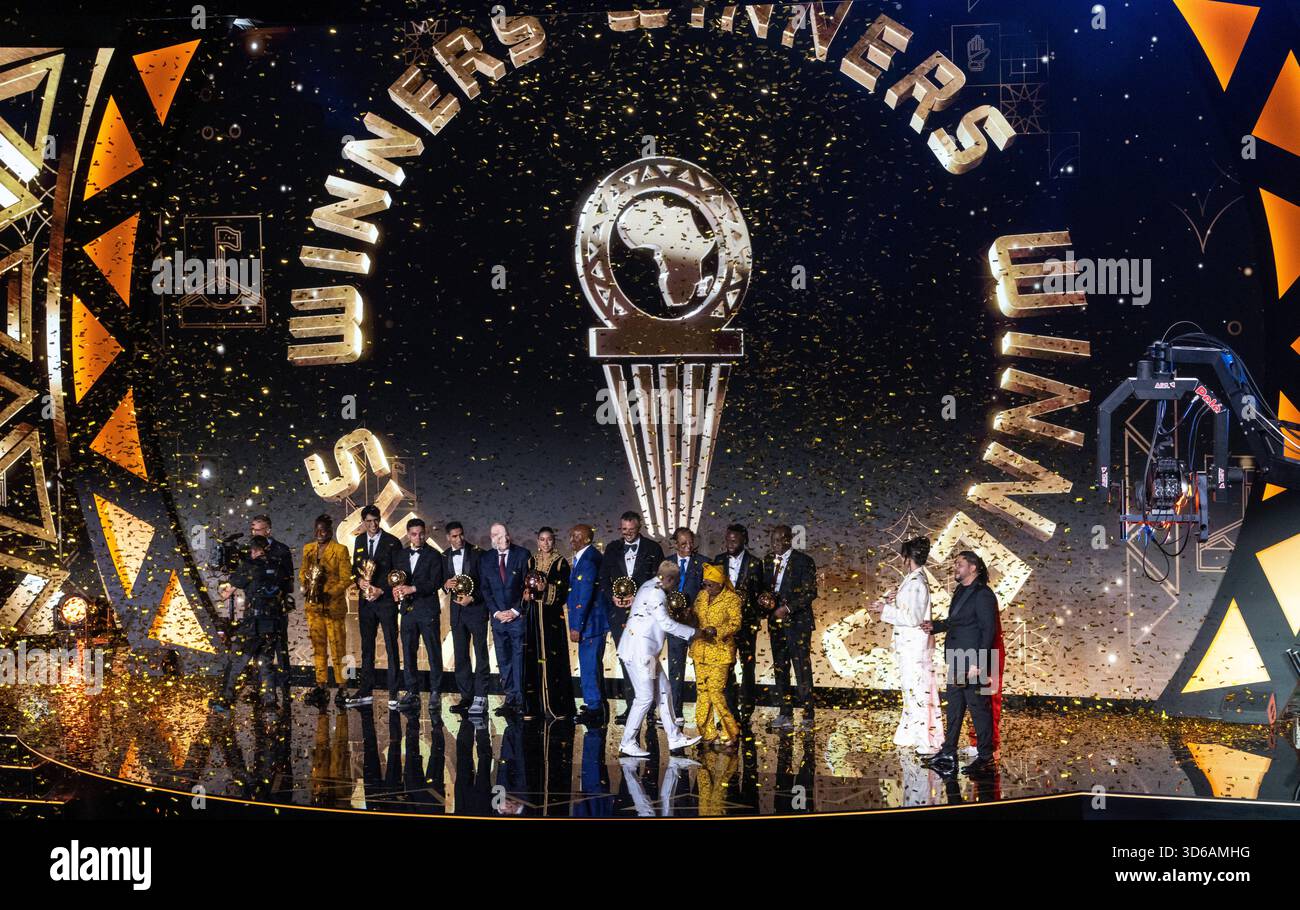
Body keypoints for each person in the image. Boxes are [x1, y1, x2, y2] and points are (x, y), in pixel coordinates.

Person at [921, 550, 1000, 777]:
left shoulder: (983, 594)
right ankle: (948, 753)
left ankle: (986, 758)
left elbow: (988, 631)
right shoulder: (960, 591)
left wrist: (979, 663)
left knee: (978, 710)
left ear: (973, 568)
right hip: (957, 659)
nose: (955, 568)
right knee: (955, 708)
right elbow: (958, 622)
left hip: (974, 661)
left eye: (959, 564)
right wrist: (935, 626)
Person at [616, 560, 703, 757]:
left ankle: (674, 737)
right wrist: (694, 633)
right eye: (676, 581)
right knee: (645, 697)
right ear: (669, 579)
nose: (676, 585)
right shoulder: (656, 592)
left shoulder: (649, 584)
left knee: (664, 690)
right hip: (641, 653)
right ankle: (627, 742)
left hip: (645, 652)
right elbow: (667, 625)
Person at [873, 536, 943, 754]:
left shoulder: (915, 582)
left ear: (906, 558)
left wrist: (883, 610)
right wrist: (890, 601)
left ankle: (924, 741)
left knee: (917, 692)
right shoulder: (914, 580)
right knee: (912, 691)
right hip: (912, 646)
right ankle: (911, 734)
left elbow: (912, 617)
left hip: (914, 647)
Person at [598, 511, 665, 722]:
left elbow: (661, 580)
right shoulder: (612, 548)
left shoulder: (653, 548)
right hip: (619, 614)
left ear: (639, 528)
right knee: (627, 658)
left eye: (631, 529)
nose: (627, 533)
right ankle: (631, 706)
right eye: (623, 529)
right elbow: (604, 579)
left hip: (645, 615)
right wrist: (613, 598)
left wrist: (640, 596)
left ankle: (651, 709)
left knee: (647, 659)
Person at [211, 536, 285, 710]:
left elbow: (225, 594)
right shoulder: (277, 565)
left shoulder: (249, 567)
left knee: (236, 662)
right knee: (266, 664)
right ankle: (270, 702)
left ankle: (225, 700)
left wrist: (226, 576)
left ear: (254, 550)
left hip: (253, 626)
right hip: (272, 624)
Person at [347, 505, 404, 709]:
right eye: (368, 521)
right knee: (367, 648)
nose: (372, 525)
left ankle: (394, 692)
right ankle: (365, 691)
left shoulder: (392, 542)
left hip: (386, 602)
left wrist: (382, 590)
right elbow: (355, 568)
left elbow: (399, 575)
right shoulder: (359, 540)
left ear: (380, 520)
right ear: (363, 522)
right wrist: (359, 582)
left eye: (375, 520)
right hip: (366, 604)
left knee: (391, 647)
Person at [764, 525, 818, 731]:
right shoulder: (768, 561)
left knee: (802, 669)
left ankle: (807, 715)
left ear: (788, 540)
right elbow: (765, 587)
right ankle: (785, 713)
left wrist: (787, 608)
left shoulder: (804, 562)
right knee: (780, 668)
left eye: (779, 540)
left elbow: (810, 592)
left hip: (798, 623)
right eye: (773, 540)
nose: (775, 544)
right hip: (776, 624)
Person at [394, 518, 448, 716]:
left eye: (421, 533)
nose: (418, 537)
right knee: (408, 652)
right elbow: (395, 578)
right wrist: (396, 590)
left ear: (425, 533)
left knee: (434, 651)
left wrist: (413, 588)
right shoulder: (400, 555)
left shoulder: (434, 555)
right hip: (407, 611)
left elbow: (436, 582)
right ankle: (412, 691)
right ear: (408, 535)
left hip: (427, 610)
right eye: (414, 534)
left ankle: (435, 691)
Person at [713, 523, 766, 718]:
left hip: (747, 624)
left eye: (734, 540)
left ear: (744, 540)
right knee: (726, 666)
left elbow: (761, 595)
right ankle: (730, 712)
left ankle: (747, 710)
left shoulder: (755, 563)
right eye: (727, 539)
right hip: (724, 625)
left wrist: (755, 615)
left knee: (748, 665)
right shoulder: (718, 561)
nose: (730, 543)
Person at [480, 522, 532, 718]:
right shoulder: (485, 559)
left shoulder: (522, 554)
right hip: (498, 619)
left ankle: (521, 700)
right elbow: (485, 589)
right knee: (503, 659)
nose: (503, 538)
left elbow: (527, 587)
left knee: (519, 659)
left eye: (505, 534)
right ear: (492, 538)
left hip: (517, 618)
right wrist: (496, 612)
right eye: (498, 535)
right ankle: (509, 698)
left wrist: (515, 611)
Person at [300, 514, 351, 706]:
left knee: (339, 648)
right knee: (318, 648)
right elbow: (302, 572)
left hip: (333, 608)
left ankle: (342, 687)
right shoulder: (308, 549)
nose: (319, 534)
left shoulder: (340, 550)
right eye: (317, 530)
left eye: (323, 530)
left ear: (330, 531)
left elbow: (346, 579)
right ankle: (321, 686)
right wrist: (307, 586)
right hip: (313, 609)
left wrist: (327, 593)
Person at [691, 562, 743, 751]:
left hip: (720, 652)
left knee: (715, 691)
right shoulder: (701, 596)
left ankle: (731, 732)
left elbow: (736, 624)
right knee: (702, 692)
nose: (706, 588)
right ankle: (707, 733)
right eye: (704, 584)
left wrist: (718, 630)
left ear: (720, 584)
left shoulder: (732, 599)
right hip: (700, 651)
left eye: (710, 584)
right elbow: (695, 617)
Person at [527, 527, 576, 719]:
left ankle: (557, 706)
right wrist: (527, 594)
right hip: (533, 615)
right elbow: (525, 586)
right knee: (533, 657)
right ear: (537, 541)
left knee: (554, 658)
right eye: (542, 540)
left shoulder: (560, 562)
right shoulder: (531, 561)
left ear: (553, 541)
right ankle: (535, 706)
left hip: (552, 617)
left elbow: (564, 591)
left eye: (549, 540)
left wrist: (546, 587)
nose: (545, 543)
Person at [441, 521, 488, 716]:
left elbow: (486, 583)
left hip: (476, 610)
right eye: (454, 536)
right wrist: (445, 584)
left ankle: (481, 697)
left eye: (461, 535)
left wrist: (473, 597)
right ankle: (466, 697)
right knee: (460, 655)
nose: (459, 539)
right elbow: (441, 581)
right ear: (448, 538)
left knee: (480, 654)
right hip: (457, 612)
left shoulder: (478, 553)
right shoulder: (444, 556)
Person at [566, 524, 609, 726]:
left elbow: (584, 596)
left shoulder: (589, 560)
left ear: (587, 539)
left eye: (577, 536)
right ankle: (596, 704)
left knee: (589, 667)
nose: (572, 540)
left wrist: (577, 626)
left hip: (590, 624)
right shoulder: (585, 557)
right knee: (592, 666)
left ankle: (594, 709)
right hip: (592, 623)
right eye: (572, 536)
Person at [666, 527, 706, 727]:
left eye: (691, 542)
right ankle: (676, 711)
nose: (688, 547)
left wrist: (693, 609)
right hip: (674, 624)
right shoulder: (667, 563)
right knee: (675, 668)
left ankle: (704, 714)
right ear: (675, 544)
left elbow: (709, 593)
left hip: (695, 623)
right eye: (683, 544)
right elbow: (660, 590)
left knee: (701, 667)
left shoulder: (703, 563)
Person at [249, 514, 294, 688]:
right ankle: (258, 685)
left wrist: (274, 586)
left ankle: (285, 686)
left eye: (258, 530)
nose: (254, 533)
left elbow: (289, 581)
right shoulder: (249, 550)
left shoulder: (281, 550)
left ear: (268, 531)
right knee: (257, 648)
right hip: (257, 608)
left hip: (277, 608)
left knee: (280, 648)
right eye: (252, 529)